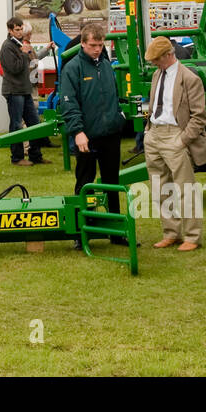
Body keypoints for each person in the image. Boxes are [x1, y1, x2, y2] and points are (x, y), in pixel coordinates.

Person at [58, 20, 128, 246]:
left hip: (110, 134)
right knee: (85, 183)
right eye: (93, 45)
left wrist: (119, 118)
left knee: (112, 183)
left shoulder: (107, 66)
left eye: (100, 45)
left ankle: (116, 231)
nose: (97, 49)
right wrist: (77, 131)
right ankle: (82, 233)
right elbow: (68, 104)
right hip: (86, 137)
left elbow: (113, 96)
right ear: (83, 44)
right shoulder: (72, 68)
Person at [142, 36, 206, 252]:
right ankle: (171, 233)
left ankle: (192, 236)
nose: (154, 64)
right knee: (159, 187)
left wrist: (182, 139)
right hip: (154, 134)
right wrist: (148, 131)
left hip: (175, 135)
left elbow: (199, 116)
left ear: (168, 55)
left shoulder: (190, 78)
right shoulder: (156, 75)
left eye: (156, 60)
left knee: (185, 188)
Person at [0, 17, 54, 165]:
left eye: (21, 29)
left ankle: (35, 156)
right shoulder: (7, 47)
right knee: (17, 125)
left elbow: (32, 61)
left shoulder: (20, 45)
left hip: (25, 90)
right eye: (17, 29)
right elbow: (14, 68)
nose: (20, 32)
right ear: (10, 31)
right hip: (14, 91)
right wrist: (24, 54)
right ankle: (17, 158)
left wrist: (44, 50)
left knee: (35, 123)